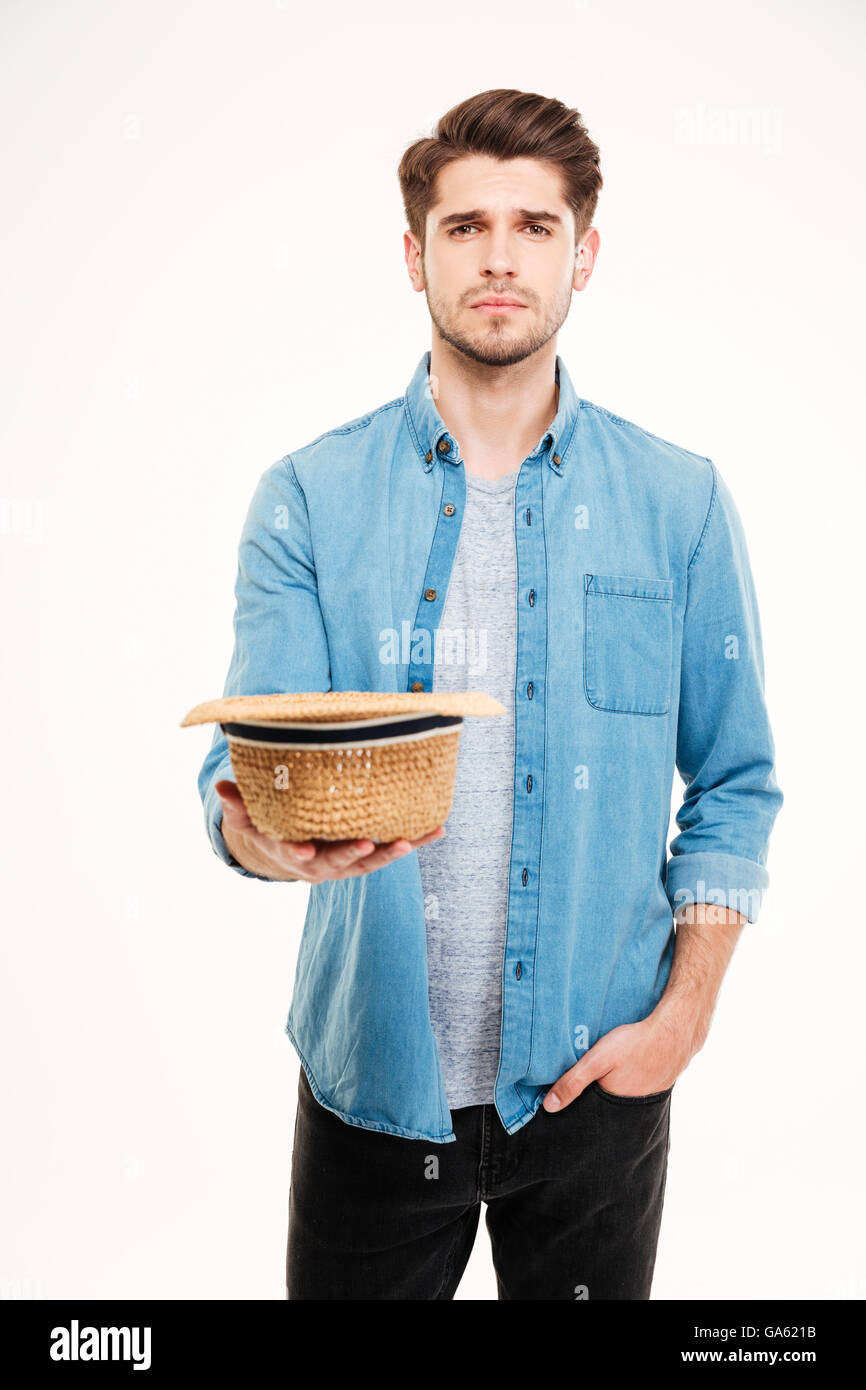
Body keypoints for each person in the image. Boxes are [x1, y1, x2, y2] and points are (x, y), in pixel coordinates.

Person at [196, 88, 783, 1300]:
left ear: (584, 254)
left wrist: (682, 1016)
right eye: (464, 227)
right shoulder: (307, 498)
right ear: (415, 257)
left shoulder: (677, 503)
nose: (499, 258)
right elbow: (249, 764)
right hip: (372, 1090)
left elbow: (734, 780)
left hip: (596, 1091)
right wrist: (262, 835)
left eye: (533, 225)